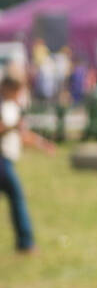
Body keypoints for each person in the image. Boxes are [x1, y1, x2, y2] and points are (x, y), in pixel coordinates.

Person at [0, 71, 56, 253]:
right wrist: (12, 126)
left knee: (16, 197)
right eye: (18, 91)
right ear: (9, 89)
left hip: (6, 161)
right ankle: (25, 243)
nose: (20, 95)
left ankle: (25, 242)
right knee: (17, 196)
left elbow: (22, 135)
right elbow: (8, 128)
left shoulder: (10, 107)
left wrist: (42, 143)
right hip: (2, 162)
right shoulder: (5, 106)